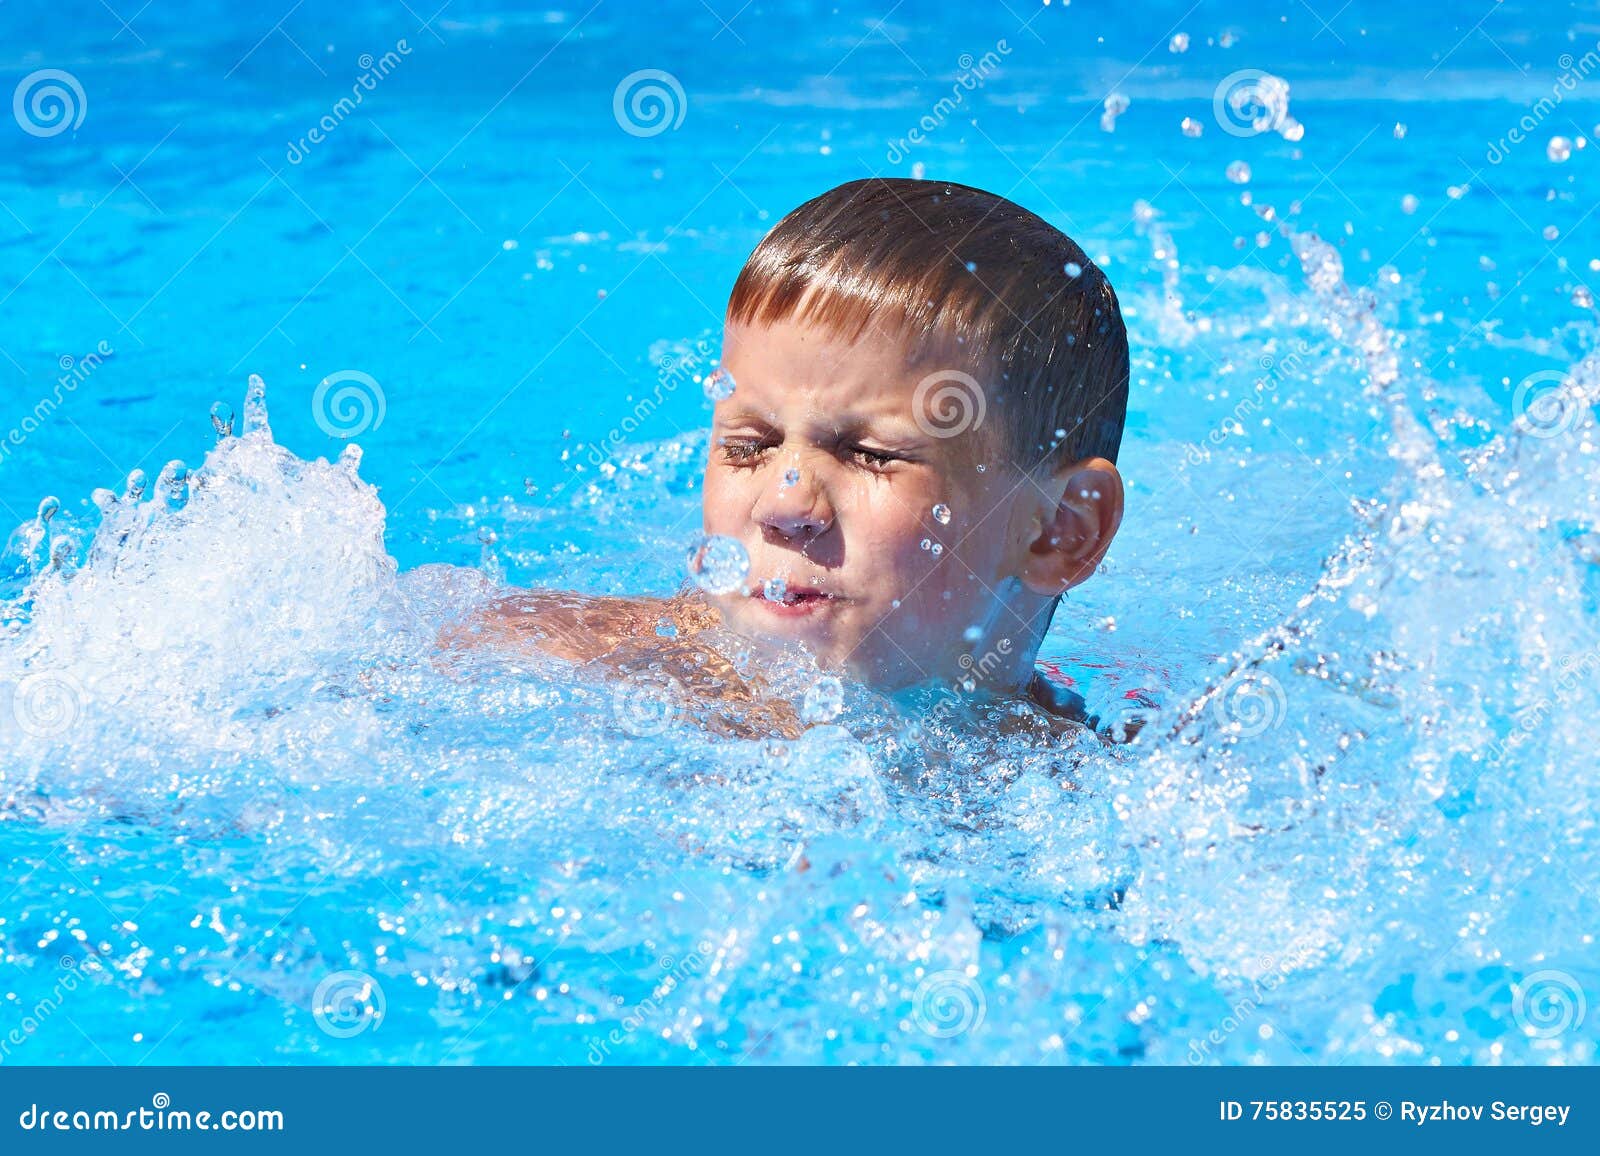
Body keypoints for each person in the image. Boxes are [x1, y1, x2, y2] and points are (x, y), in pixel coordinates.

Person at [449, 178, 1132, 738]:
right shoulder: (583, 668)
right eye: (749, 447)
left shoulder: (1117, 780)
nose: (784, 506)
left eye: (869, 454)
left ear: (1061, 529)